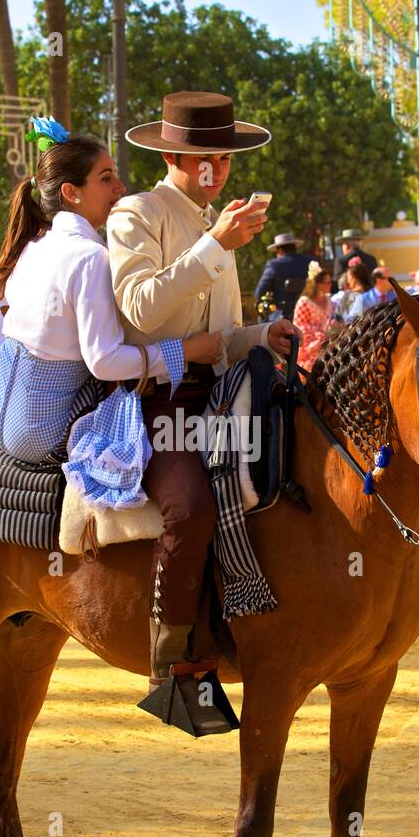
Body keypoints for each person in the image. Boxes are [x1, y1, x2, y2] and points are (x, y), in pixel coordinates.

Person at [107, 90, 298, 731]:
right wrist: (216, 242)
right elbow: (140, 309)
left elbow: (223, 331)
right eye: (201, 158)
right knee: (190, 505)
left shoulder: (222, 224)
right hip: (155, 399)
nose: (214, 168)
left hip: (221, 390)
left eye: (223, 157)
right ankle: (172, 664)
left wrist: (260, 336)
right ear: (170, 155)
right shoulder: (138, 213)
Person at [0, 118, 215, 469]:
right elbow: (104, 361)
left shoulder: (32, 247)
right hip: (38, 435)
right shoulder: (92, 258)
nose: (121, 188)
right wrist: (185, 350)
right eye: (106, 178)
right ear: (70, 192)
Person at [253, 232, 310, 320]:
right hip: (307, 313)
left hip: (282, 316)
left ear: (279, 250)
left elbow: (259, 292)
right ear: (294, 247)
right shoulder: (308, 262)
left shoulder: (274, 265)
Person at [293, 261, 337, 371]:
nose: (330, 285)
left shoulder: (329, 300)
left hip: (328, 342)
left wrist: (334, 327)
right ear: (318, 284)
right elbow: (300, 327)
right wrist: (321, 333)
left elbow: (331, 319)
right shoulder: (304, 302)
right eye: (327, 283)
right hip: (309, 346)